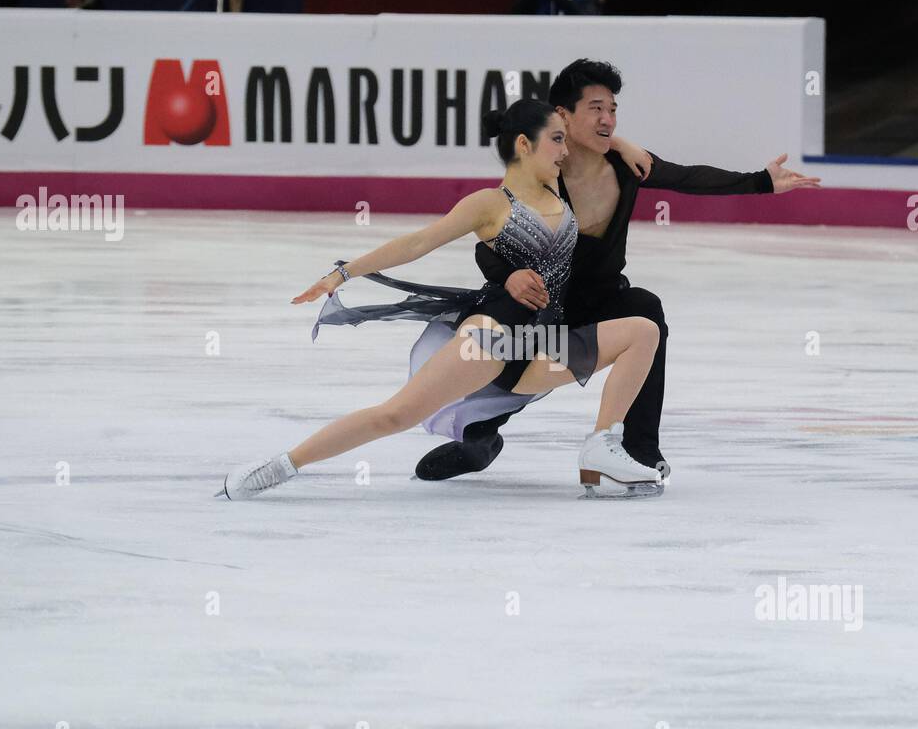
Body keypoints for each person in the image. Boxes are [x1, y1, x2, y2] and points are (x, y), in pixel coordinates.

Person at [218, 100, 665, 501]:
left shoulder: (557, 189)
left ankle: (600, 450)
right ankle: (281, 466)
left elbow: (596, 139)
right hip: (496, 337)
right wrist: (343, 272)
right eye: (556, 140)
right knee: (397, 415)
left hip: (544, 342)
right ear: (525, 145)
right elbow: (418, 243)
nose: (566, 151)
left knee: (642, 331)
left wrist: (622, 145)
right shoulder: (491, 203)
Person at [413, 59, 820, 484]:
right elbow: (493, 240)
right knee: (508, 389)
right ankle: (478, 441)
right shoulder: (542, 175)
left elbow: (688, 177)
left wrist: (760, 181)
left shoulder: (628, 165)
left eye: (613, 110)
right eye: (595, 109)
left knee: (646, 310)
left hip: (601, 297)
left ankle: (640, 446)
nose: (607, 119)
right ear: (563, 117)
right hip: (540, 305)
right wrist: (509, 276)